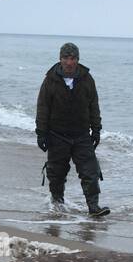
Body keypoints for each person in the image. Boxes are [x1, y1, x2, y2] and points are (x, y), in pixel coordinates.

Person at [35, 43, 109, 217]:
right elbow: (43, 107)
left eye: (73, 58)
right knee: (56, 173)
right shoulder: (50, 80)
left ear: (78, 59)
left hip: (82, 135)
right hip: (57, 135)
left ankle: (94, 207)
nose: (69, 62)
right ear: (60, 59)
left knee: (90, 172)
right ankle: (57, 203)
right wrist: (41, 133)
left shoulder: (87, 79)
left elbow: (94, 106)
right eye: (66, 58)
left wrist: (96, 130)